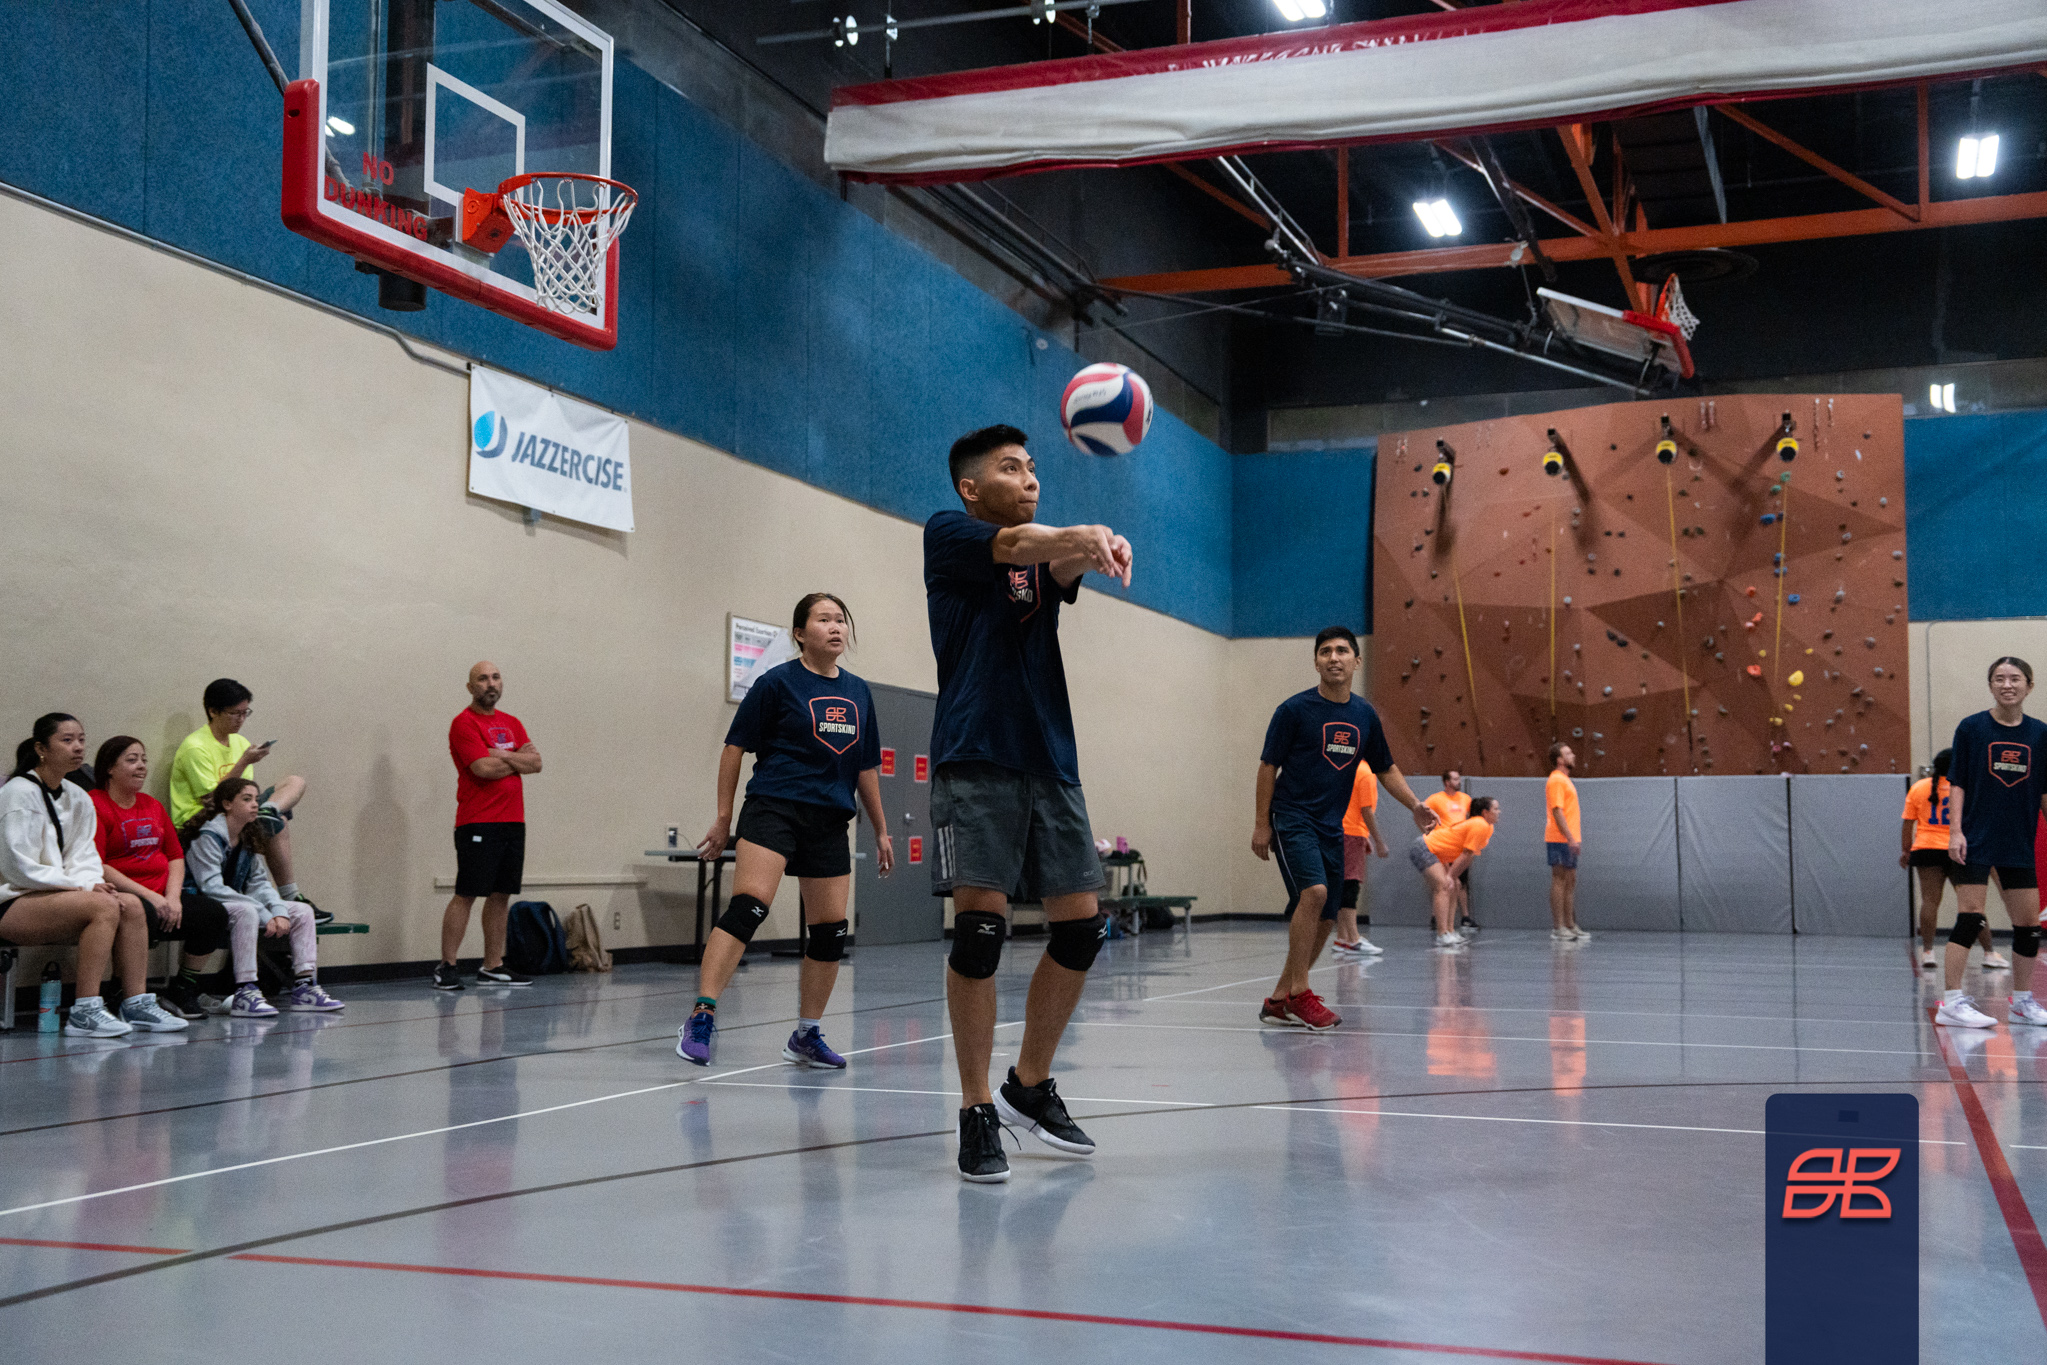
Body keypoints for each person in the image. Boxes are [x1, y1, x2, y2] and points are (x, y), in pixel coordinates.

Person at [926, 424, 1131, 1183]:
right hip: (976, 754)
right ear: (972, 487)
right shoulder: (950, 534)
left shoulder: (1036, 559)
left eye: (1034, 467)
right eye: (1012, 468)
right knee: (980, 931)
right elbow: (1021, 544)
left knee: (1082, 927)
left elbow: (1059, 561)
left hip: (1051, 761)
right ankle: (976, 1107)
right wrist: (1080, 534)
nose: (1031, 478)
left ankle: (1030, 1083)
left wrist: (1097, 546)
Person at [678, 593, 894, 1067]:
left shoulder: (859, 692)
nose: (835, 627)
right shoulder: (776, 683)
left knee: (831, 932)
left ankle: (806, 1034)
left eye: (841, 620)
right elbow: (734, 748)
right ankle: (702, 1015)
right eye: (824, 619)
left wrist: (881, 830)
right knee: (749, 907)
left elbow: (866, 766)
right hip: (775, 809)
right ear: (800, 633)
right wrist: (723, 817)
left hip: (829, 819)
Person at [1254, 626, 1435, 1029]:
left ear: (1356, 660)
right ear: (1316, 662)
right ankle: (1300, 993)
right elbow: (1268, 767)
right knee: (1314, 893)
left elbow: (1386, 768)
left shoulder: (1364, 715)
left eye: (1341, 651)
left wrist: (1415, 805)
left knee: (1328, 911)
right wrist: (1261, 824)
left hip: (1331, 826)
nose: (1333, 657)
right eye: (1325, 652)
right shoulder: (1293, 710)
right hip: (1292, 816)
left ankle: (1280, 999)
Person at [0, 714, 184, 1036]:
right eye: (67, 740)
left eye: (81, 740)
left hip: (59, 896)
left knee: (132, 904)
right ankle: (84, 1010)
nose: (78, 747)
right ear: (41, 748)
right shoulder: (18, 792)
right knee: (103, 906)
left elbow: (85, 857)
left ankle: (136, 1003)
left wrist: (91, 883)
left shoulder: (77, 796)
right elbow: (20, 867)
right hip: (13, 900)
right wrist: (83, 887)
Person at [1936, 657, 2047, 1028]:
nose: (2007, 685)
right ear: (1991, 685)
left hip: (2018, 841)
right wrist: (1956, 831)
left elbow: (2044, 791)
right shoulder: (1972, 728)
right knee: (1970, 917)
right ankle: (1952, 1002)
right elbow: (1958, 783)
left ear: (2029, 685)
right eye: (1999, 678)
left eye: (2015, 678)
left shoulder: (2040, 734)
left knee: (2028, 925)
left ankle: (2022, 1002)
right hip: (1976, 839)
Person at [91, 736, 235, 1021]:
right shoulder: (95, 804)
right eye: (132, 760)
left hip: (162, 895)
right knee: (140, 912)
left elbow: (175, 855)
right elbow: (99, 863)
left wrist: (172, 897)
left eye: (144, 760)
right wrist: (152, 897)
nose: (141, 766)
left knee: (212, 913)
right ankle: (122, 991)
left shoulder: (152, 805)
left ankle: (183, 988)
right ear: (110, 767)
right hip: (124, 894)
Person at [181, 777, 343, 1017]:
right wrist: (265, 914)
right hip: (204, 903)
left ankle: (305, 986)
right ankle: (246, 990)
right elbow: (211, 887)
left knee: (302, 911)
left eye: (256, 799)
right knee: (246, 911)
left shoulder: (249, 835)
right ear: (227, 804)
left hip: (238, 903)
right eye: (247, 799)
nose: (255, 804)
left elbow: (259, 883)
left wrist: (278, 911)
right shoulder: (207, 836)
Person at [168, 679, 319, 919]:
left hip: (235, 812)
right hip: (202, 819)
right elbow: (212, 799)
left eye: (245, 713)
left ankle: (268, 810)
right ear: (213, 711)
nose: (240, 719)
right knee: (278, 822)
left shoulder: (240, 742)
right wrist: (244, 761)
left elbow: (244, 792)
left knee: (294, 782)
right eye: (234, 713)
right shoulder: (195, 747)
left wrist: (256, 804)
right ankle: (290, 894)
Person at [438, 661, 543, 990]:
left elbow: (536, 763)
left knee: (501, 895)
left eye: (495, 677)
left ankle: (492, 965)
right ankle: (447, 967)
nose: (490, 683)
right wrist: (516, 759)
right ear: (471, 687)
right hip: (478, 821)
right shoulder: (463, 723)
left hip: (513, 821)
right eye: (482, 679)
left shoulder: (512, 723)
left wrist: (501, 754)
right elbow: (482, 769)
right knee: (467, 893)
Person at [1904, 749, 2004, 972]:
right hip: (1958, 849)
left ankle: (1928, 952)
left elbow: (1907, 824)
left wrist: (1906, 851)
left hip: (1926, 849)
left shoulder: (1918, 788)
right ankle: (1989, 953)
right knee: (1972, 904)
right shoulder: (1964, 788)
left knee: (1929, 901)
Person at [1412, 797, 1501, 947]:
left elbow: (1468, 856)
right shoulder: (1479, 824)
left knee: (1455, 886)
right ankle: (1442, 934)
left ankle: (1450, 931)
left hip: (1440, 854)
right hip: (1425, 848)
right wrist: (1450, 876)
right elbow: (1466, 854)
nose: (1499, 812)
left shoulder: (1488, 828)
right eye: (1496, 809)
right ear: (1485, 812)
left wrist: (1452, 876)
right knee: (1443, 885)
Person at [1330, 761, 1388, 958]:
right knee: (1350, 884)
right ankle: (1354, 939)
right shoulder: (1365, 773)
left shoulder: (1346, 766)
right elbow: (1366, 810)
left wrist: (1365, 837)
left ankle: (1342, 938)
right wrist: (1379, 841)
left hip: (1340, 829)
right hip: (1351, 833)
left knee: (1342, 884)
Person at [1424, 769, 1477, 934]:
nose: (1458, 781)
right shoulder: (1435, 799)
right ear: (1447, 782)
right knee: (1443, 882)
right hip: (1442, 845)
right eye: (1454, 779)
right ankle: (1437, 917)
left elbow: (1472, 818)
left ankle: (1465, 917)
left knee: (1461, 883)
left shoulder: (1465, 799)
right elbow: (1423, 812)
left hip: (1459, 847)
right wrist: (1429, 829)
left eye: (1459, 778)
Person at [1545, 743, 1588, 942]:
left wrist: (1574, 838)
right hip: (1559, 837)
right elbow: (1557, 810)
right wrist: (1569, 838)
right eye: (1568, 753)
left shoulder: (1565, 780)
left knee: (1570, 881)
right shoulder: (1556, 780)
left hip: (1570, 837)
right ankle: (1558, 927)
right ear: (1560, 760)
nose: (1573, 755)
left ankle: (1570, 924)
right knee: (1559, 879)